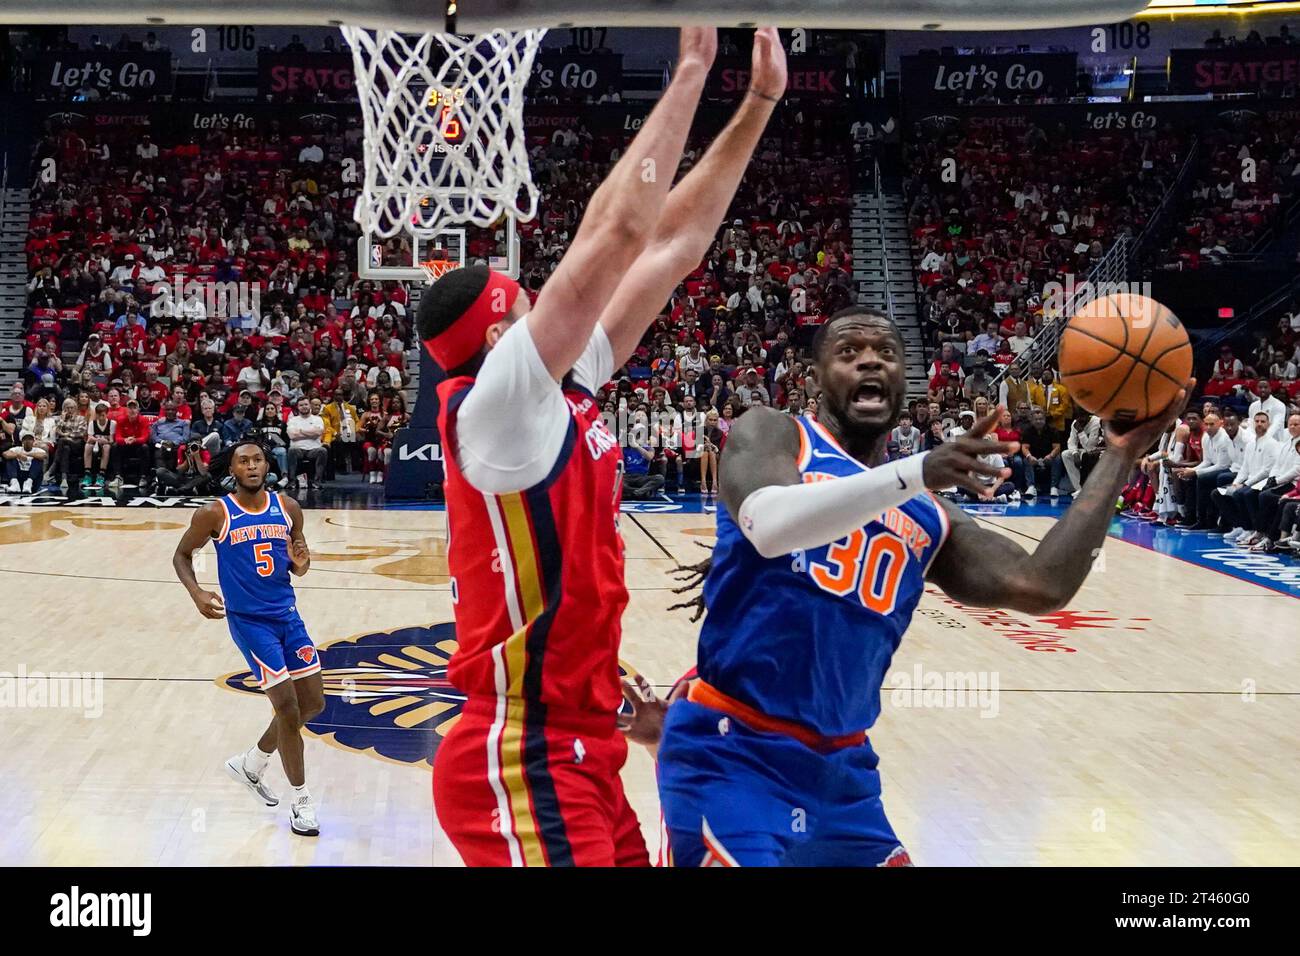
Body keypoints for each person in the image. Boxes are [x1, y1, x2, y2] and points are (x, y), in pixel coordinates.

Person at [420, 27, 783, 867]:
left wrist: (757, 103)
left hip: (585, 746)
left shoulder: (559, 382)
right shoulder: (498, 407)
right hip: (518, 755)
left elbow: (669, 245)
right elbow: (618, 233)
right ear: (504, 329)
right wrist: (690, 71)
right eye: (529, 298)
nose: (554, 296)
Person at [655, 306, 1190, 866]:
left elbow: (1041, 585)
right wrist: (916, 472)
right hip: (733, 753)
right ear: (814, 379)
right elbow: (769, 525)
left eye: (885, 352)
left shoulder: (929, 514)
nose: (869, 359)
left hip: (843, 776)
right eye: (848, 352)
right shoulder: (773, 433)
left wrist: (1120, 454)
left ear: (903, 379)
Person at [173, 440, 322, 836]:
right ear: (233, 470)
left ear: (266, 465)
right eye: (244, 461)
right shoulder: (215, 512)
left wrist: (302, 564)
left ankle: (252, 763)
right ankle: (302, 802)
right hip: (249, 622)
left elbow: (299, 565)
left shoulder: (288, 508)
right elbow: (181, 555)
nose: (252, 466)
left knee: (313, 703)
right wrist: (197, 592)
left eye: (257, 459)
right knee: (288, 709)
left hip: (288, 616)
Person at [286, 398, 327, 492]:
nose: (304, 407)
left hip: (314, 449)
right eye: (301, 405)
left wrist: (300, 431)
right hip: (298, 449)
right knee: (292, 450)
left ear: (310, 406)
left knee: (323, 451)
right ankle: (292, 481)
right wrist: (310, 433)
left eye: (305, 404)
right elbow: (292, 435)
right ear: (297, 407)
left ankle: (317, 482)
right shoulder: (293, 420)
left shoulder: (318, 419)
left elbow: (318, 433)